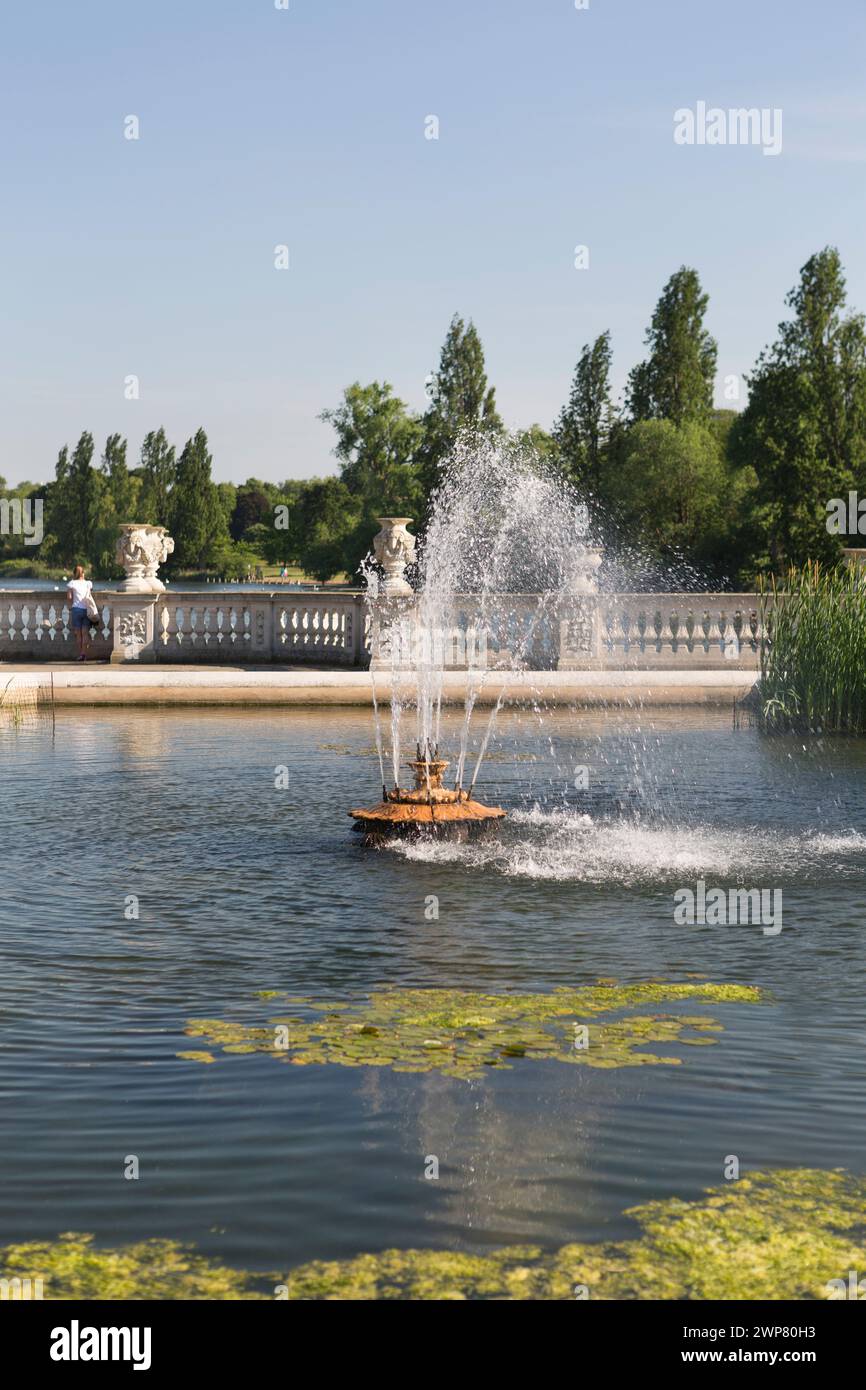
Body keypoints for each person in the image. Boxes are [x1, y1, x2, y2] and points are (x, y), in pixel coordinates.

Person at [67, 565, 93, 661]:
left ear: (74, 573)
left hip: (76, 610)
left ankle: (80, 654)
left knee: (78, 634)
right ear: (83, 573)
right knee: (85, 633)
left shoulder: (71, 583)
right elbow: (89, 595)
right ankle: (84, 654)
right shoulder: (88, 583)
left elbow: (69, 597)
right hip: (86, 609)